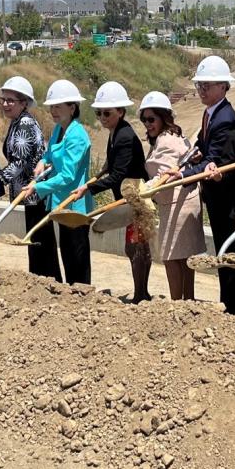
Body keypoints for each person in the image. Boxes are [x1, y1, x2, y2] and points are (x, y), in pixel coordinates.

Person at [179, 55, 235, 316]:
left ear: (224, 87)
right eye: (199, 85)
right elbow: (204, 147)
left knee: (229, 254)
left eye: (207, 86)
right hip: (217, 198)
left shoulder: (224, 118)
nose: (202, 90)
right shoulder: (210, 113)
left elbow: (215, 159)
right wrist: (187, 162)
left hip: (229, 202)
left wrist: (183, 176)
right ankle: (229, 305)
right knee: (224, 253)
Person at [78, 81, 151, 303]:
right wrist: (99, 174)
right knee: (133, 247)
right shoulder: (116, 133)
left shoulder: (125, 136)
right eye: (99, 113)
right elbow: (113, 164)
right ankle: (141, 292)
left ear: (120, 111)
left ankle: (141, 294)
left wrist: (89, 189)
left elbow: (118, 175)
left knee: (137, 246)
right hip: (127, 197)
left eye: (107, 113)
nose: (102, 117)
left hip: (136, 198)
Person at [0, 76, 59, 279]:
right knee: (37, 241)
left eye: (11, 100)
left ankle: (47, 283)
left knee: (39, 242)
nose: (5, 104)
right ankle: (43, 281)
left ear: (24, 103)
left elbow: (20, 162)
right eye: (3, 100)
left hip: (35, 192)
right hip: (28, 193)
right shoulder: (18, 121)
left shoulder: (24, 124)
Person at [139, 91, 204, 300]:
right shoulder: (170, 137)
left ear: (163, 117)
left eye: (151, 119)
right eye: (144, 119)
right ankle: (187, 302)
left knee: (172, 258)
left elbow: (164, 176)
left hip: (178, 204)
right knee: (183, 258)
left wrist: (140, 191)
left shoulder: (166, 141)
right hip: (180, 202)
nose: (147, 124)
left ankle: (178, 305)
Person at [34, 79, 93, 284]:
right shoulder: (59, 130)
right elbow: (50, 154)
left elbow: (68, 175)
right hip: (60, 202)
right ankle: (71, 293)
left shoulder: (77, 135)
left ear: (72, 107)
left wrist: (38, 186)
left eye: (58, 106)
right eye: (52, 106)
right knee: (66, 252)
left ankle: (82, 293)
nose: (53, 111)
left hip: (75, 205)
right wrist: (42, 161)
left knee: (77, 255)